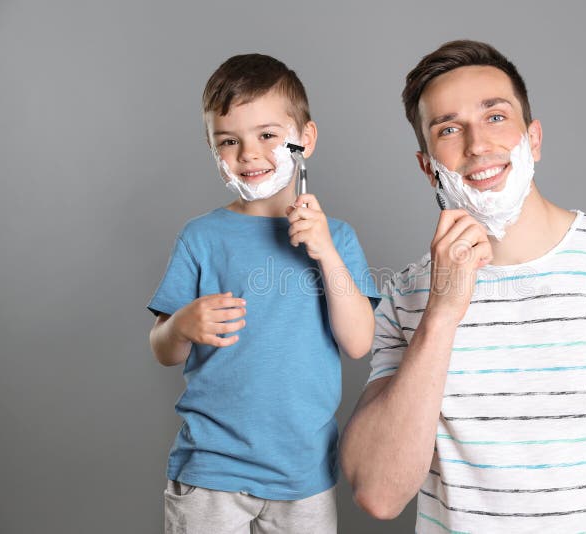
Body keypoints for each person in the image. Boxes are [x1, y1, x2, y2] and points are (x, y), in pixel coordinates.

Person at [341, 40, 586, 533]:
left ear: (533, 140)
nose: (476, 144)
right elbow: (379, 494)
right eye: (448, 129)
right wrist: (441, 315)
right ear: (428, 166)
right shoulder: (406, 297)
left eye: (495, 117)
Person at [147, 53, 379, 534]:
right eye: (229, 141)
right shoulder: (201, 237)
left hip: (303, 473)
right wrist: (180, 325)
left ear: (305, 140)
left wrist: (326, 254)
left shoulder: (339, 238)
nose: (248, 154)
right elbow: (162, 349)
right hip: (211, 468)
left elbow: (359, 342)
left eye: (267, 135)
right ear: (214, 149)